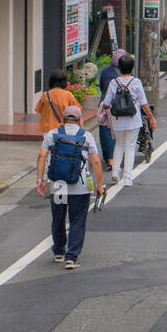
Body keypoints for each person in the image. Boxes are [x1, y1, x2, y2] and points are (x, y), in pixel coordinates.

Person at [36, 103, 104, 269]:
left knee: (58, 217)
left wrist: (40, 180)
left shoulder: (52, 135)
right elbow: (95, 160)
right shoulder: (86, 136)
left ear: (63, 119)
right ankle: (71, 257)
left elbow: (41, 156)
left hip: (59, 184)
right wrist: (99, 184)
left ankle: (59, 251)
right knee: (77, 220)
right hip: (80, 186)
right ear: (80, 120)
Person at [102, 55, 157, 187]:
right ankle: (127, 178)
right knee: (130, 147)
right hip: (133, 119)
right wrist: (151, 118)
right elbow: (144, 103)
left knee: (119, 144)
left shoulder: (114, 82)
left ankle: (115, 172)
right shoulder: (136, 82)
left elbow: (106, 103)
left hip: (118, 119)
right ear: (132, 67)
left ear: (119, 67)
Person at [95, 51, 124, 177]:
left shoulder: (106, 71)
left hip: (106, 105)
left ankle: (109, 158)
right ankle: (118, 157)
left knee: (106, 131)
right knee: (120, 132)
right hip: (121, 106)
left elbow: (102, 87)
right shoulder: (127, 72)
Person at [34, 68, 78, 134]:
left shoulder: (46, 95)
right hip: (64, 128)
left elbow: (39, 110)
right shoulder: (68, 95)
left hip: (48, 128)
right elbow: (76, 111)